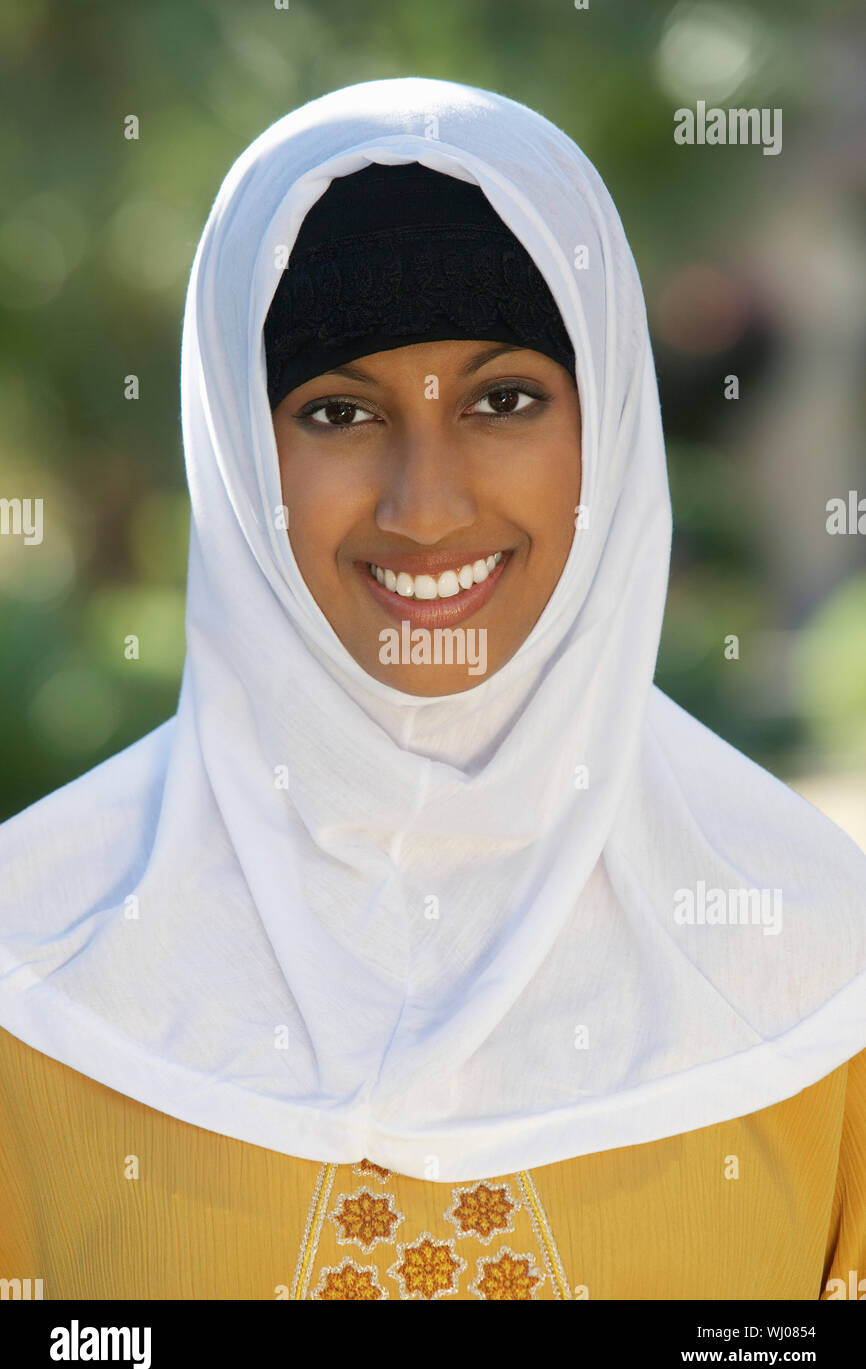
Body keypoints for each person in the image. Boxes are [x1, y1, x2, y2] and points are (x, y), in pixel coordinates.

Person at [1, 76, 865, 1302]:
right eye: (337, 410)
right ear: (244, 458)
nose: (426, 505)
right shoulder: (36, 982)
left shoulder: (821, 978)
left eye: (502, 399)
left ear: (606, 426)